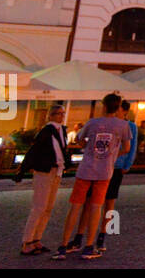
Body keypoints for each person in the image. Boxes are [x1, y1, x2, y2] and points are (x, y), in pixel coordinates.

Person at [52, 93, 129, 261]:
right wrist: (112, 154)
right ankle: (89, 246)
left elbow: (80, 140)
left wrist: (89, 148)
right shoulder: (123, 126)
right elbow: (127, 147)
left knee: (75, 207)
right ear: (118, 107)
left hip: (85, 170)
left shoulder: (93, 122)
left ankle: (63, 246)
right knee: (96, 208)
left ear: (104, 105)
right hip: (104, 172)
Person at [16, 104, 70, 256]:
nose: (62, 116)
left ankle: (36, 239)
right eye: (59, 113)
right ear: (51, 115)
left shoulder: (61, 131)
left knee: (48, 207)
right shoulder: (46, 131)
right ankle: (27, 241)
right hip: (44, 171)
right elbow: (34, 151)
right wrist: (23, 170)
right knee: (39, 206)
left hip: (56, 170)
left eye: (62, 113)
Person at [97, 99, 138, 253]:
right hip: (103, 166)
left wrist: (127, 165)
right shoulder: (109, 123)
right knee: (95, 201)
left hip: (117, 166)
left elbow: (132, 147)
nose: (116, 112)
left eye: (119, 109)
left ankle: (104, 233)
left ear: (125, 111)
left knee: (110, 201)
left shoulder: (131, 127)